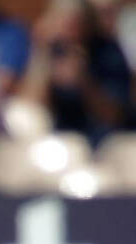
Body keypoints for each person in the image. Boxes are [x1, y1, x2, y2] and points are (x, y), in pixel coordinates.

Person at [20, 0, 134, 145]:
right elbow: (30, 106)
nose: (67, 30)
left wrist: (84, 81)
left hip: (105, 139)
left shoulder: (109, 54)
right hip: (59, 138)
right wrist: (42, 55)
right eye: (60, 21)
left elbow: (114, 116)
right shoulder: (50, 51)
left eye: (73, 23)